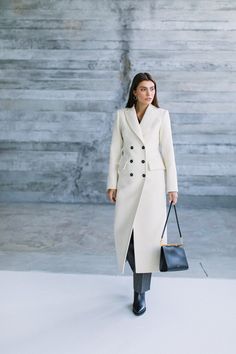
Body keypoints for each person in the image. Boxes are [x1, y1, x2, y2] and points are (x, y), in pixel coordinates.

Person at [106, 72, 178, 316]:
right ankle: (140, 276)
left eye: (152, 89)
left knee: (147, 241)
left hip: (152, 183)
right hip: (127, 182)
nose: (149, 93)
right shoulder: (121, 116)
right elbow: (115, 151)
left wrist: (172, 187)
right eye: (144, 89)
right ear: (134, 92)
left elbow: (168, 152)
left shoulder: (161, 116)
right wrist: (111, 183)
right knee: (126, 236)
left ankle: (140, 293)